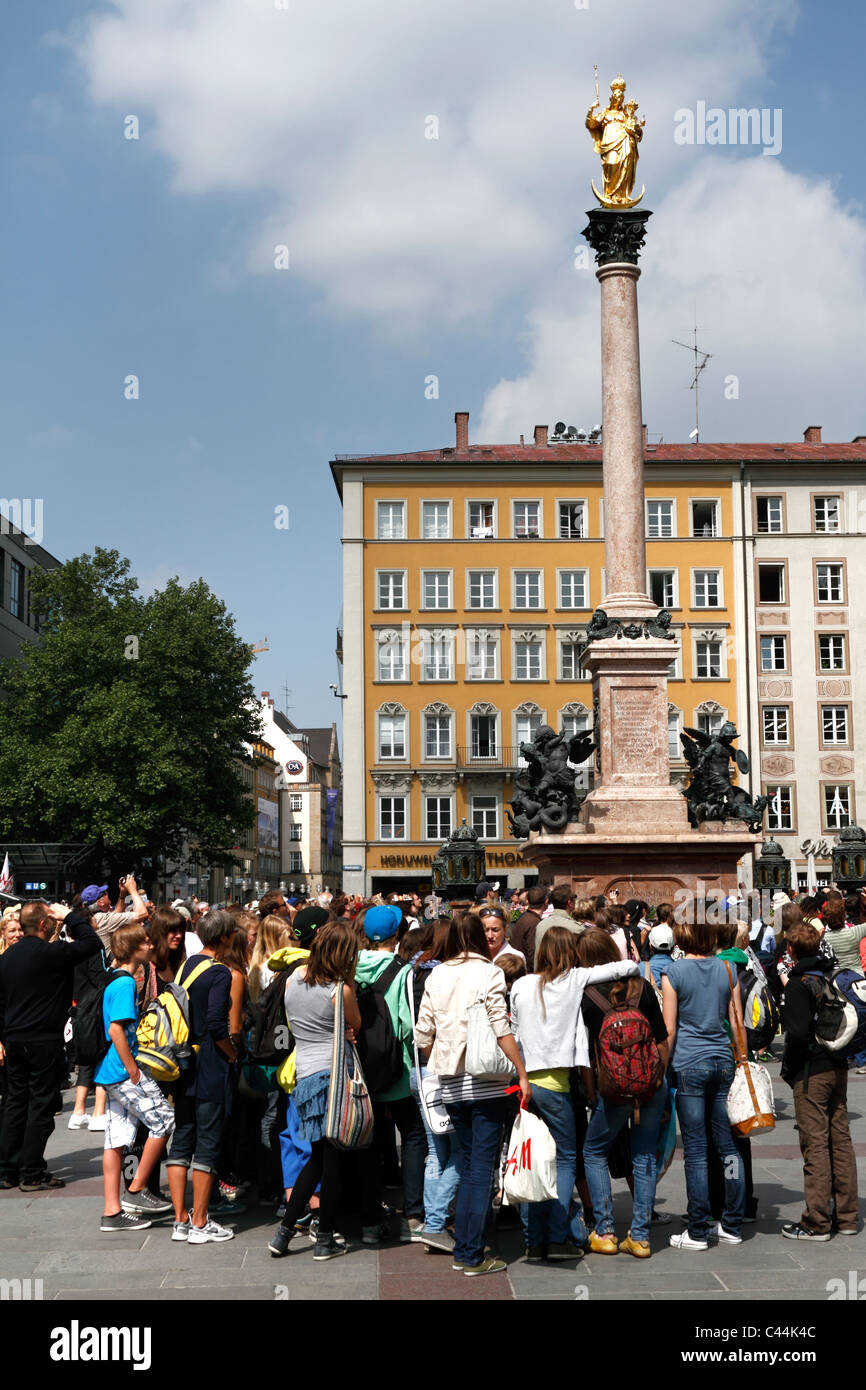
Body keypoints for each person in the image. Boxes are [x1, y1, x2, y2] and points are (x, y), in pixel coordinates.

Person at [511, 925, 640, 1260]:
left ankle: (532, 1239)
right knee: (566, 1158)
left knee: (533, 1159)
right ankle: (556, 1238)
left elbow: (513, 1030)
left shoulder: (522, 984)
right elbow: (628, 967)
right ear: (569, 954)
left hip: (525, 1083)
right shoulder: (574, 980)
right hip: (557, 1086)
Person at [415, 912, 531, 1277]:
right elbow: (500, 1024)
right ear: (480, 938)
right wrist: (522, 1072)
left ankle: (465, 1248)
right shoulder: (490, 971)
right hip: (488, 1084)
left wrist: (440, 1058)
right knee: (481, 1169)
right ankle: (471, 1253)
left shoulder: (438, 973)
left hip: (450, 1082)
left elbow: (422, 1033)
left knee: (467, 1166)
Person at [267, 920, 384, 1260]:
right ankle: (324, 1238)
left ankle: (284, 1233)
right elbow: (356, 1025)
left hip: (304, 1073)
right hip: (333, 1076)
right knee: (332, 1161)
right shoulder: (341, 990)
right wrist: (346, 983)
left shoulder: (292, 980)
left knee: (318, 1158)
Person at [573, 928, 668, 1258]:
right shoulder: (640, 986)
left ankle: (606, 1232)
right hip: (650, 1086)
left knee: (594, 1151)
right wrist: (656, 1079)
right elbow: (661, 1040)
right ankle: (640, 1236)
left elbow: (584, 1054)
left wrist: (592, 1091)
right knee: (643, 1156)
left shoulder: (586, 995)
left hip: (612, 1089)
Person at [0, 900, 101, 1190]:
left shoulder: (7, 958)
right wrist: (69, 916)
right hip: (44, 1039)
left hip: (15, 1038)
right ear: (45, 924)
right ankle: (31, 1171)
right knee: (40, 1104)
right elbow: (92, 942)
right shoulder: (53, 953)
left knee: (15, 1102)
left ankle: (7, 1169)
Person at [662, 915, 746, 1250]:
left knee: (696, 1150)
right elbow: (736, 1022)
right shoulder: (728, 970)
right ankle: (732, 1223)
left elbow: (670, 1029)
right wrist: (742, 1061)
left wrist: (661, 1071)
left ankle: (698, 1228)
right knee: (727, 1147)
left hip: (688, 1064)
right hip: (723, 1061)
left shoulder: (674, 973)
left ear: (682, 938)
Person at [780, 922, 859, 1239]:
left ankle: (817, 1221)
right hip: (838, 1065)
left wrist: (791, 1070)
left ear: (792, 950)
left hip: (812, 1071)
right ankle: (849, 1217)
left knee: (815, 1145)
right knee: (840, 1141)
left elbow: (797, 1034)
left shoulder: (798, 983)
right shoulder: (829, 975)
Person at [165, 909, 239, 1244]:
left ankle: (180, 1220)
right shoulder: (220, 972)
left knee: (182, 1138)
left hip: (182, 1063)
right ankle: (200, 1221)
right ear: (224, 937)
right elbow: (215, 1023)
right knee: (208, 1143)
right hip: (209, 1061)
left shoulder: (187, 965)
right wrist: (232, 1052)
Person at [95, 924, 175, 1231]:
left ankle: (112, 1212)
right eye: (145, 943)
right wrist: (133, 1069)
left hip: (110, 1070)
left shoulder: (115, 979)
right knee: (164, 1119)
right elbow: (117, 1029)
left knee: (115, 1140)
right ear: (133, 949)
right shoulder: (125, 983)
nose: (151, 946)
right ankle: (137, 1190)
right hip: (121, 1069)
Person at [355, 904, 425, 1242]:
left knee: (367, 1139)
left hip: (360, 1068)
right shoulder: (403, 971)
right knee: (412, 1134)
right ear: (397, 934)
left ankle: (371, 1215)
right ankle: (413, 1211)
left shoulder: (351, 966)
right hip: (397, 1068)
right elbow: (408, 1027)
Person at [81, 880, 148, 954]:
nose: (107, 893)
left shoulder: (93, 917)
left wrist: (122, 894)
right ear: (101, 902)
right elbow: (142, 913)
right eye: (105, 893)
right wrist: (132, 889)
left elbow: (116, 913)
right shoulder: (101, 918)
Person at [820, 897, 866, 973]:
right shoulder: (854, 932)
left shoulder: (822, 938)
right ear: (844, 916)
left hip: (834, 980)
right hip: (857, 978)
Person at [510, 886, 548, 970]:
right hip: (524, 971)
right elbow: (533, 955)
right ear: (546, 902)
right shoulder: (533, 922)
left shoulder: (527, 917)